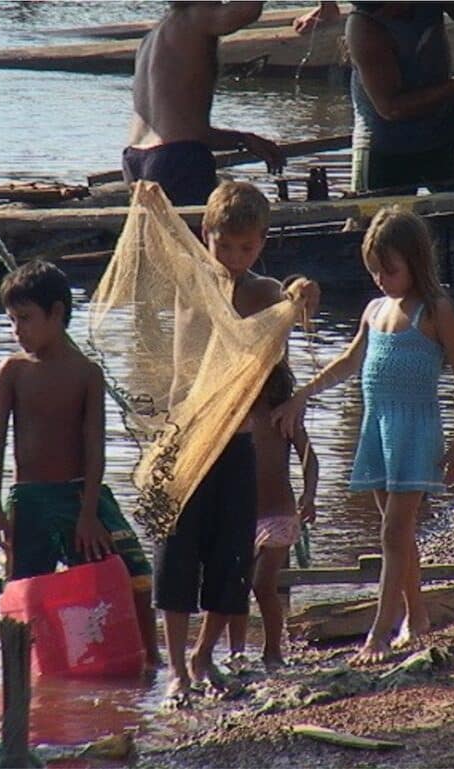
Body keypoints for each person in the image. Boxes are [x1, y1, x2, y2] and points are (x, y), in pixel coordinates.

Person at [273, 206, 454, 664]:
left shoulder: (436, 309)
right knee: (398, 536)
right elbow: (349, 361)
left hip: (416, 430)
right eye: (375, 271)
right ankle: (417, 615)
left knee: (392, 531)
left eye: (390, 270)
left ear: (415, 263)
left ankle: (380, 633)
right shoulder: (374, 309)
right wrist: (302, 394)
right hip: (377, 428)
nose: (381, 279)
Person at [151, 180, 320, 708]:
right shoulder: (194, 279)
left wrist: (304, 292)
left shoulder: (266, 293)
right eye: (224, 245)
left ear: (262, 243)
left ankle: (206, 656)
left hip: (239, 444)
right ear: (208, 236)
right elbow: (161, 240)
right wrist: (153, 203)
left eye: (246, 247)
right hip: (187, 440)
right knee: (177, 558)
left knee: (232, 562)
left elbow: (296, 304)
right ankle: (178, 669)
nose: (234, 257)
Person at [0, 260, 161, 668]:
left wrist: (87, 515)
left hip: (80, 493)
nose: (18, 330)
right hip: (29, 499)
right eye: (12, 320)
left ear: (58, 314)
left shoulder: (86, 373)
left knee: (133, 570)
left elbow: (93, 446)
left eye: (26, 319)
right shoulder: (13, 371)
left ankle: (150, 662)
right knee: (25, 590)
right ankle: (28, 673)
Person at [123, 2, 285, 206]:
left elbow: (186, 129)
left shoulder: (152, 37)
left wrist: (244, 139)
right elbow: (248, 9)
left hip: (134, 159)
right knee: (193, 237)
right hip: (174, 159)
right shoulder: (196, 17)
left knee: (156, 237)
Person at [226, 357, 319, 670]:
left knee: (263, 584)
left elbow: (310, 458)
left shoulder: (283, 417)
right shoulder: (235, 418)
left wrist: (309, 495)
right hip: (240, 517)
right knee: (236, 584)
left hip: (279, 515)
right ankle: (236, 651)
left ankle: (273, 650)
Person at [346, 2, 454, 193]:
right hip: (387, 144)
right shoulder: (364, 29)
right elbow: (390, 108)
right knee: (376, 220)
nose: (390, 12)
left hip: (448, 128)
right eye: (380, 11)